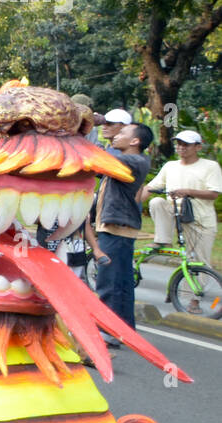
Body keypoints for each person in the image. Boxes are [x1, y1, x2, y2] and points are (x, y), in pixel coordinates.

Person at [84, 122, 153, 345]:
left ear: (135, 141)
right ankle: (124, 331)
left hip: (117, 229)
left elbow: (98, 157)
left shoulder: (134, 161)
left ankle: (108, 331)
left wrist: (87, 132)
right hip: (118, 228)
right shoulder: (127, 161)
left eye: (122, 132)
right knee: (121, 283)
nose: (116, 135)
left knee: (109, 282)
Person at [138, 129, 221, 266]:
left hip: (200, 220)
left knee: (198, 262)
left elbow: (213, 193)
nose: (181, 147)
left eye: (186, 144)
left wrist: (188, 191)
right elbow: (151, 187)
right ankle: (163, 240)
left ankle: (195, 281)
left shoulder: (210, 166)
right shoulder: (170, 166)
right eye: (179, 144)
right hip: (175, 214)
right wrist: (132, 204)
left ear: (198, 147)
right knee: (157, 202)